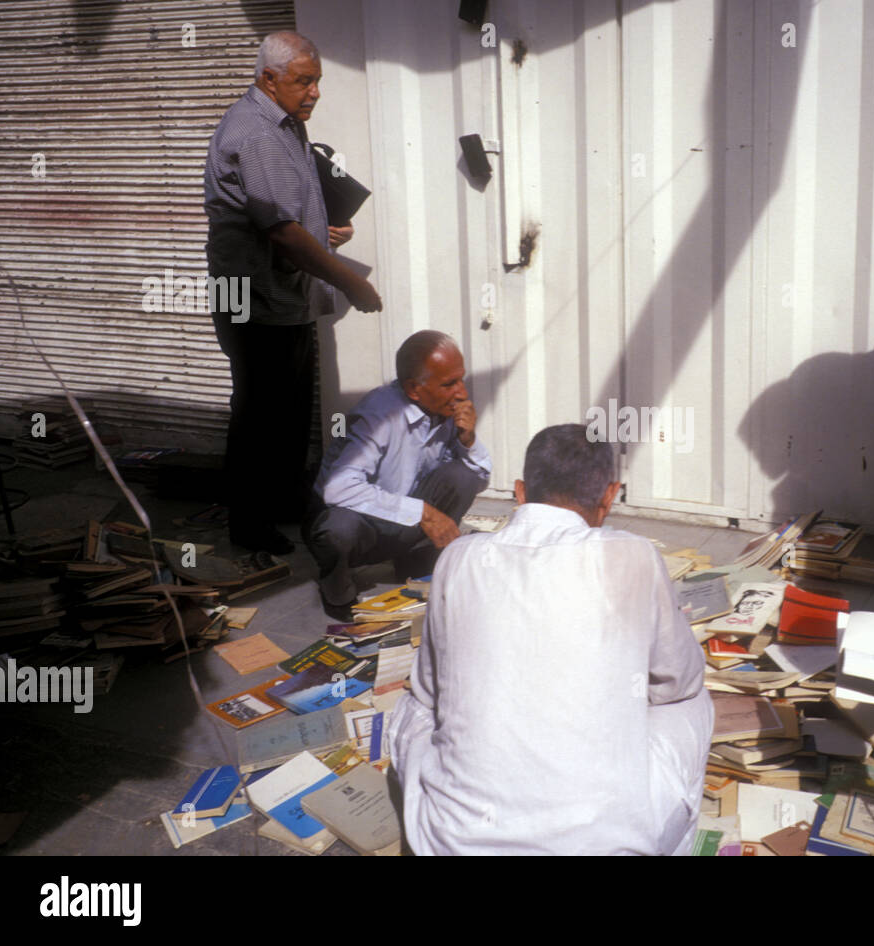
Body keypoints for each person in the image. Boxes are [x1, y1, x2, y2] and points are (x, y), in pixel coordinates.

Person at [387, 424, 714, 855]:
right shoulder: (633, 555)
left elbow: (430, 693)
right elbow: (679, 682)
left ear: (520, 493)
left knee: (412, 709)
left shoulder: (459, 557)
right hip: (608, 846)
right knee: (695, 701)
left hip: (454, 844)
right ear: (610, 494)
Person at [205, 30, 382, 554]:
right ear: (268, 79)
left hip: (274, 291)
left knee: (285, 407)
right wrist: (349, 279)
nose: (315, 92)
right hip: (252, 293)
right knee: (260, 409)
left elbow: (282, 215)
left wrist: (321, 227)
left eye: (317, 81)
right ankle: (249, 525)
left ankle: (280, 502)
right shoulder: (257, 133)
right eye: (304, 81)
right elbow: (281, 231)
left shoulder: (284, 125)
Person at [304, 331, 490, 620]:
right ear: (414, 389)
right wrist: (424, 513)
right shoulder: (379, 415)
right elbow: (336, 489)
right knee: (338, 528)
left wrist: (468, 441)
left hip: (400, 518)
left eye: (461, 379)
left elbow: (478, 479)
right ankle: (337, 588)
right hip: (359, 526)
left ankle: (415, 560)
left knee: (462, 475)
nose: (462, 393)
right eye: (449, 383)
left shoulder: (443, 407)